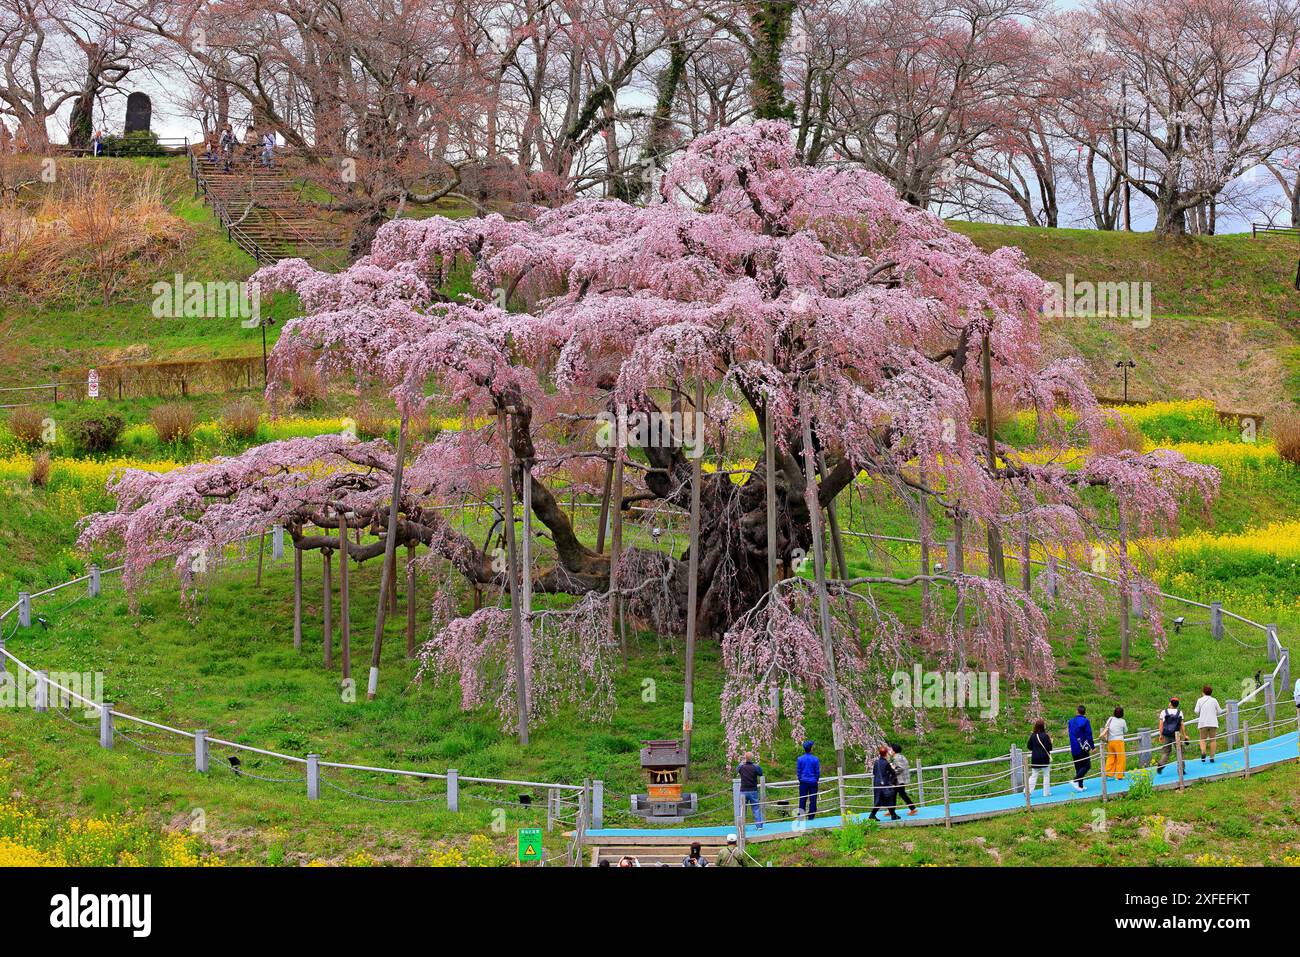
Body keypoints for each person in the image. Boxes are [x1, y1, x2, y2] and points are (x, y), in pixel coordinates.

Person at [1155, 696, 1186, 774]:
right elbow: (1182, 725)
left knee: (1166, 751)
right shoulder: (1180, 712)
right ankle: (1181, 769)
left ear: (1170, 704)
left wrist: (1161, 735)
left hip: (1166, 734)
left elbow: (1161, 725)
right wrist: (1185, 735)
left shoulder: (1164, 712)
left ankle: (1161, 764)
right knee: (1180, 751)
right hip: (1177, 735)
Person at [1067, 705, 1094, 792]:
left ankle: (1080, 785)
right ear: (1084, 712)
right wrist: (1092, 747)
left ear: (1077, 711)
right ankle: (1075, 780)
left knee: (1078, 767)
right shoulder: (1085, 721)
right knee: (1087, 765)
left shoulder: (1070, 721)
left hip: (1074, 747)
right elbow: (1089, 735)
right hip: (1082, 747)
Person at [869, 745, 899, 821]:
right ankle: (893, 815)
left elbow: (874, 773)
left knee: (879, 800)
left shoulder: (876, 762)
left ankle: (873, 815)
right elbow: (893, 773)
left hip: (876, 784)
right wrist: (891, 779)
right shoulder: (886, 763)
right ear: (886, 754)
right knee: (889, 798)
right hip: (884, 784)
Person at [1194, 685, 1222, 763]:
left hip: (1203, 723)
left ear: (1203, 692)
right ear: (1211, 692)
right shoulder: (1214, 700)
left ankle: (1203, 752)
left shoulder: (1199, 700)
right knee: (1213, 740)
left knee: (1202, 739)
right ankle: (1212, 757)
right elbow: (1220, 711)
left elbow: (1196, 711)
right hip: (1213, 722)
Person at [889, 743, 918, 815]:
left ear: (894, 751)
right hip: (901, 779)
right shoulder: (901, 756)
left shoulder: (896, 758)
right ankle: (891, 811)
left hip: (899, 780)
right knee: (895, 794)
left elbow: (900, 768)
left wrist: (892, 770)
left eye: (891, 749)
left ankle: (913, 809)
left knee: (901, 794)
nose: (890, 751)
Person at [737, 751, 764, 830]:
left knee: (742, 809)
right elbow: (761, 773)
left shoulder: (741, 767)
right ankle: (759, 826)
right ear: (752, 758)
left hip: (743, 791)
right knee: (756, 808)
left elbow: (737, 770)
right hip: (753, 790)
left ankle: (741, 826)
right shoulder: (755, 767)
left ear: (745, 758)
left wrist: (742, 761)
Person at [1027, 719, 1053, 797]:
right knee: (1046, 775)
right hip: (1044, 758)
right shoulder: (1045, 736)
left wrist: (1035, 749)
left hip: (1035, 758)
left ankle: (1028, 791)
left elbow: (1029, 746)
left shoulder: (1033, 735)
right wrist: (1051, 742)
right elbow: (1049, 748)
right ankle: (1046, 793)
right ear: (1043, 726)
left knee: (1034, 775)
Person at [796, 739, 820, 821]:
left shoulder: (800, 759)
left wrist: (800, 779)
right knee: (813, 799)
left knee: (802, 798)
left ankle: (801, 816)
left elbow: (798, 771)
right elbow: (817, 771)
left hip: (803, 782)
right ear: (811, 748)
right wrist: (816, 779)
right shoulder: (815, 759)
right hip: (813, 781)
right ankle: (811, 816)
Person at [1101, 706, 1128, 780]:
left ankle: (1108, 773)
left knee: (1111, 757)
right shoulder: (1122, 721)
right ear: (1122, 713)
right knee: (1120, 758)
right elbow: (1126, 730)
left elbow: (1106, 726)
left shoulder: (1110, 718)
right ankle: (1119, 775)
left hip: (1110, 741)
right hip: (1118, 741)